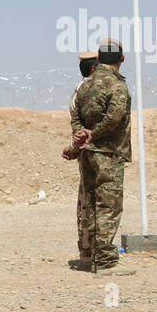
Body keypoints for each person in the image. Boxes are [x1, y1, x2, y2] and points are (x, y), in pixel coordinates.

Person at [74, 39, 135, 277]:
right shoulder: (118, 85)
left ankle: (94, 258)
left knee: (91, 204)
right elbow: (114, 119)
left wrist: (81, 135)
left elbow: (75, 116)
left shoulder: (86, 85)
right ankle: (107, 262)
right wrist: (94, 134)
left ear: (98, 59)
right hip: (108, 153)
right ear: (121, 59)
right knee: (108, 207)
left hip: (87, 154)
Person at [62, 50, 99, 269]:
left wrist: (73, 147)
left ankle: (87, 250)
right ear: (95, 68)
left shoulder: (78, 90)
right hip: (99, 152)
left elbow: (76, 127)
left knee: (86, 200)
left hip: (85, 152)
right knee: (98, 202)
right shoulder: (95, 90)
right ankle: (96, 253)